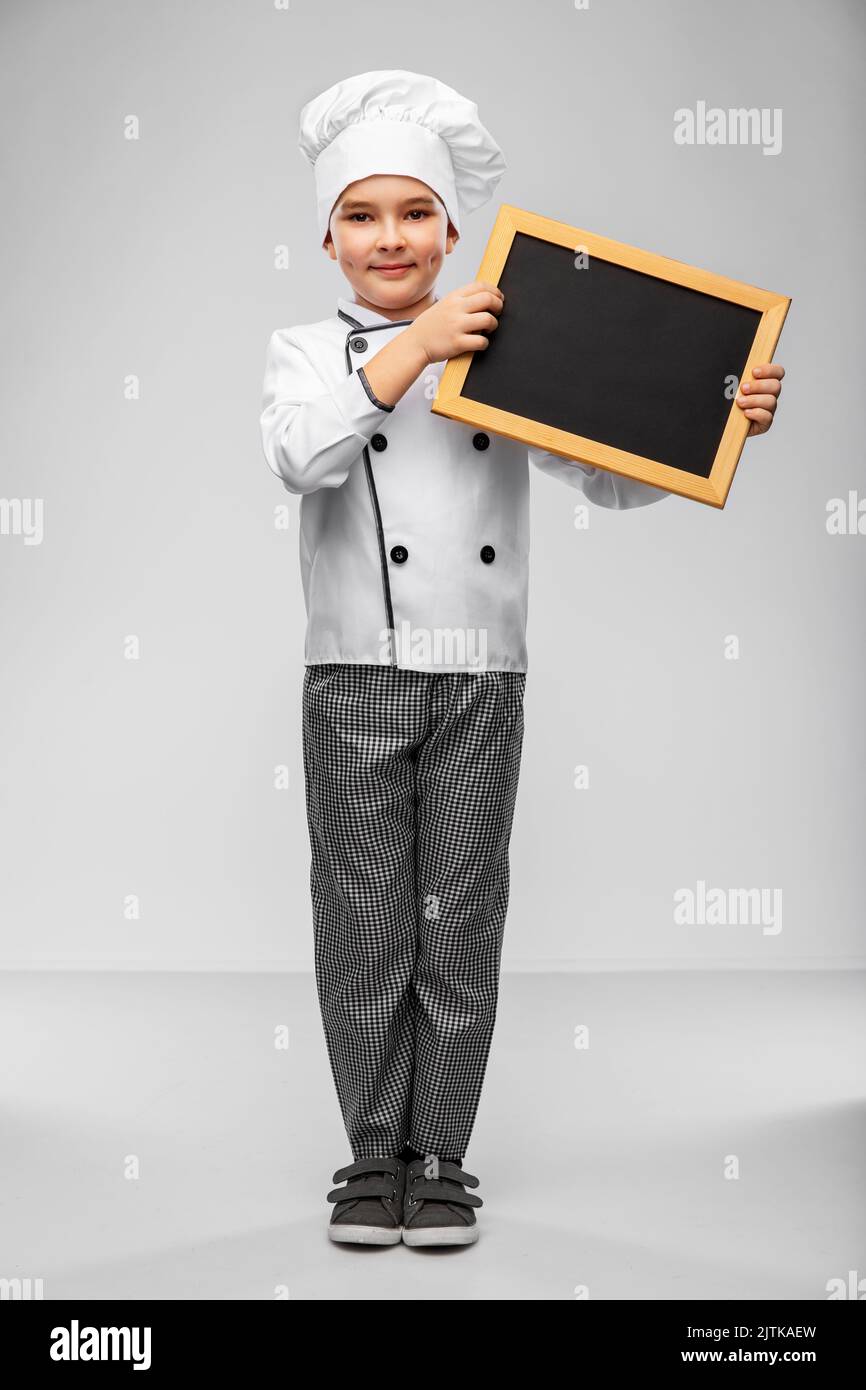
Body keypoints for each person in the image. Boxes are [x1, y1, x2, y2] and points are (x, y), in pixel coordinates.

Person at [259, 69, 785, 1248]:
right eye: (360, 214)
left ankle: (439, 1152)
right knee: (361, 915)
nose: (388, 236)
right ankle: (366, 1154)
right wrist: (414, 350)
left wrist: (715, 418)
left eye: (412, 213)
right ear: (326, 234)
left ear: (451, 229)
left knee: (458, 913)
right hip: (352, 672)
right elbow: (302, 458)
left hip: (483, 676)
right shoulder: (304, 354)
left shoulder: (504, 342)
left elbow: (605, 469)